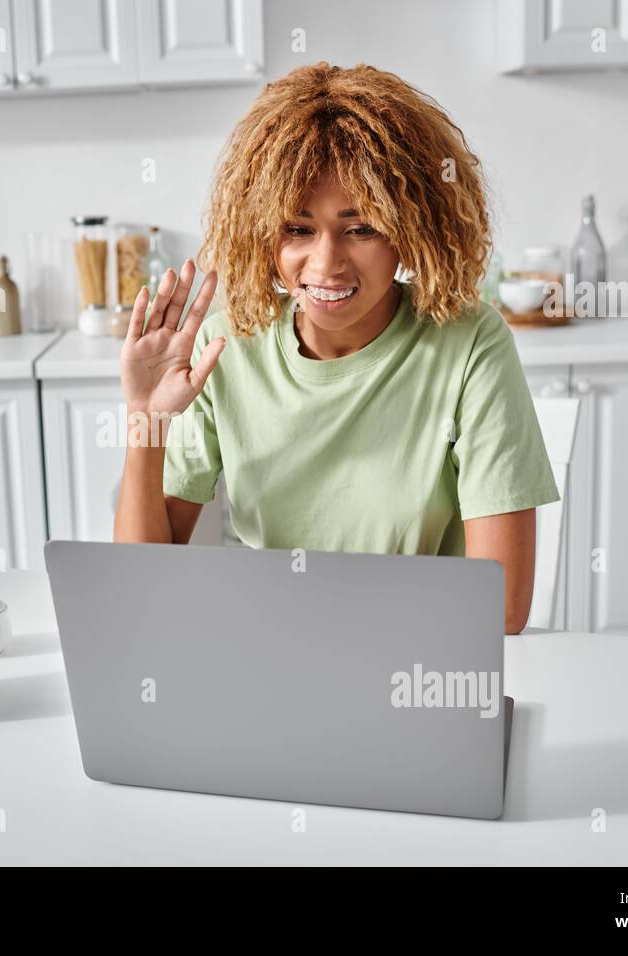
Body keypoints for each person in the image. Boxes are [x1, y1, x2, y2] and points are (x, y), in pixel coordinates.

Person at [112, 62, 559, 635]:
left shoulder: (469, 341)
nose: (326, 263)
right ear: (263, 232)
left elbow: (500, 611)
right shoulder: (225, 343)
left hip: (422, 665)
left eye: (361, 228)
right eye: (298, 229)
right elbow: (141, 581)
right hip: (268, 653)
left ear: (412, 227)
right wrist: (144, 422)